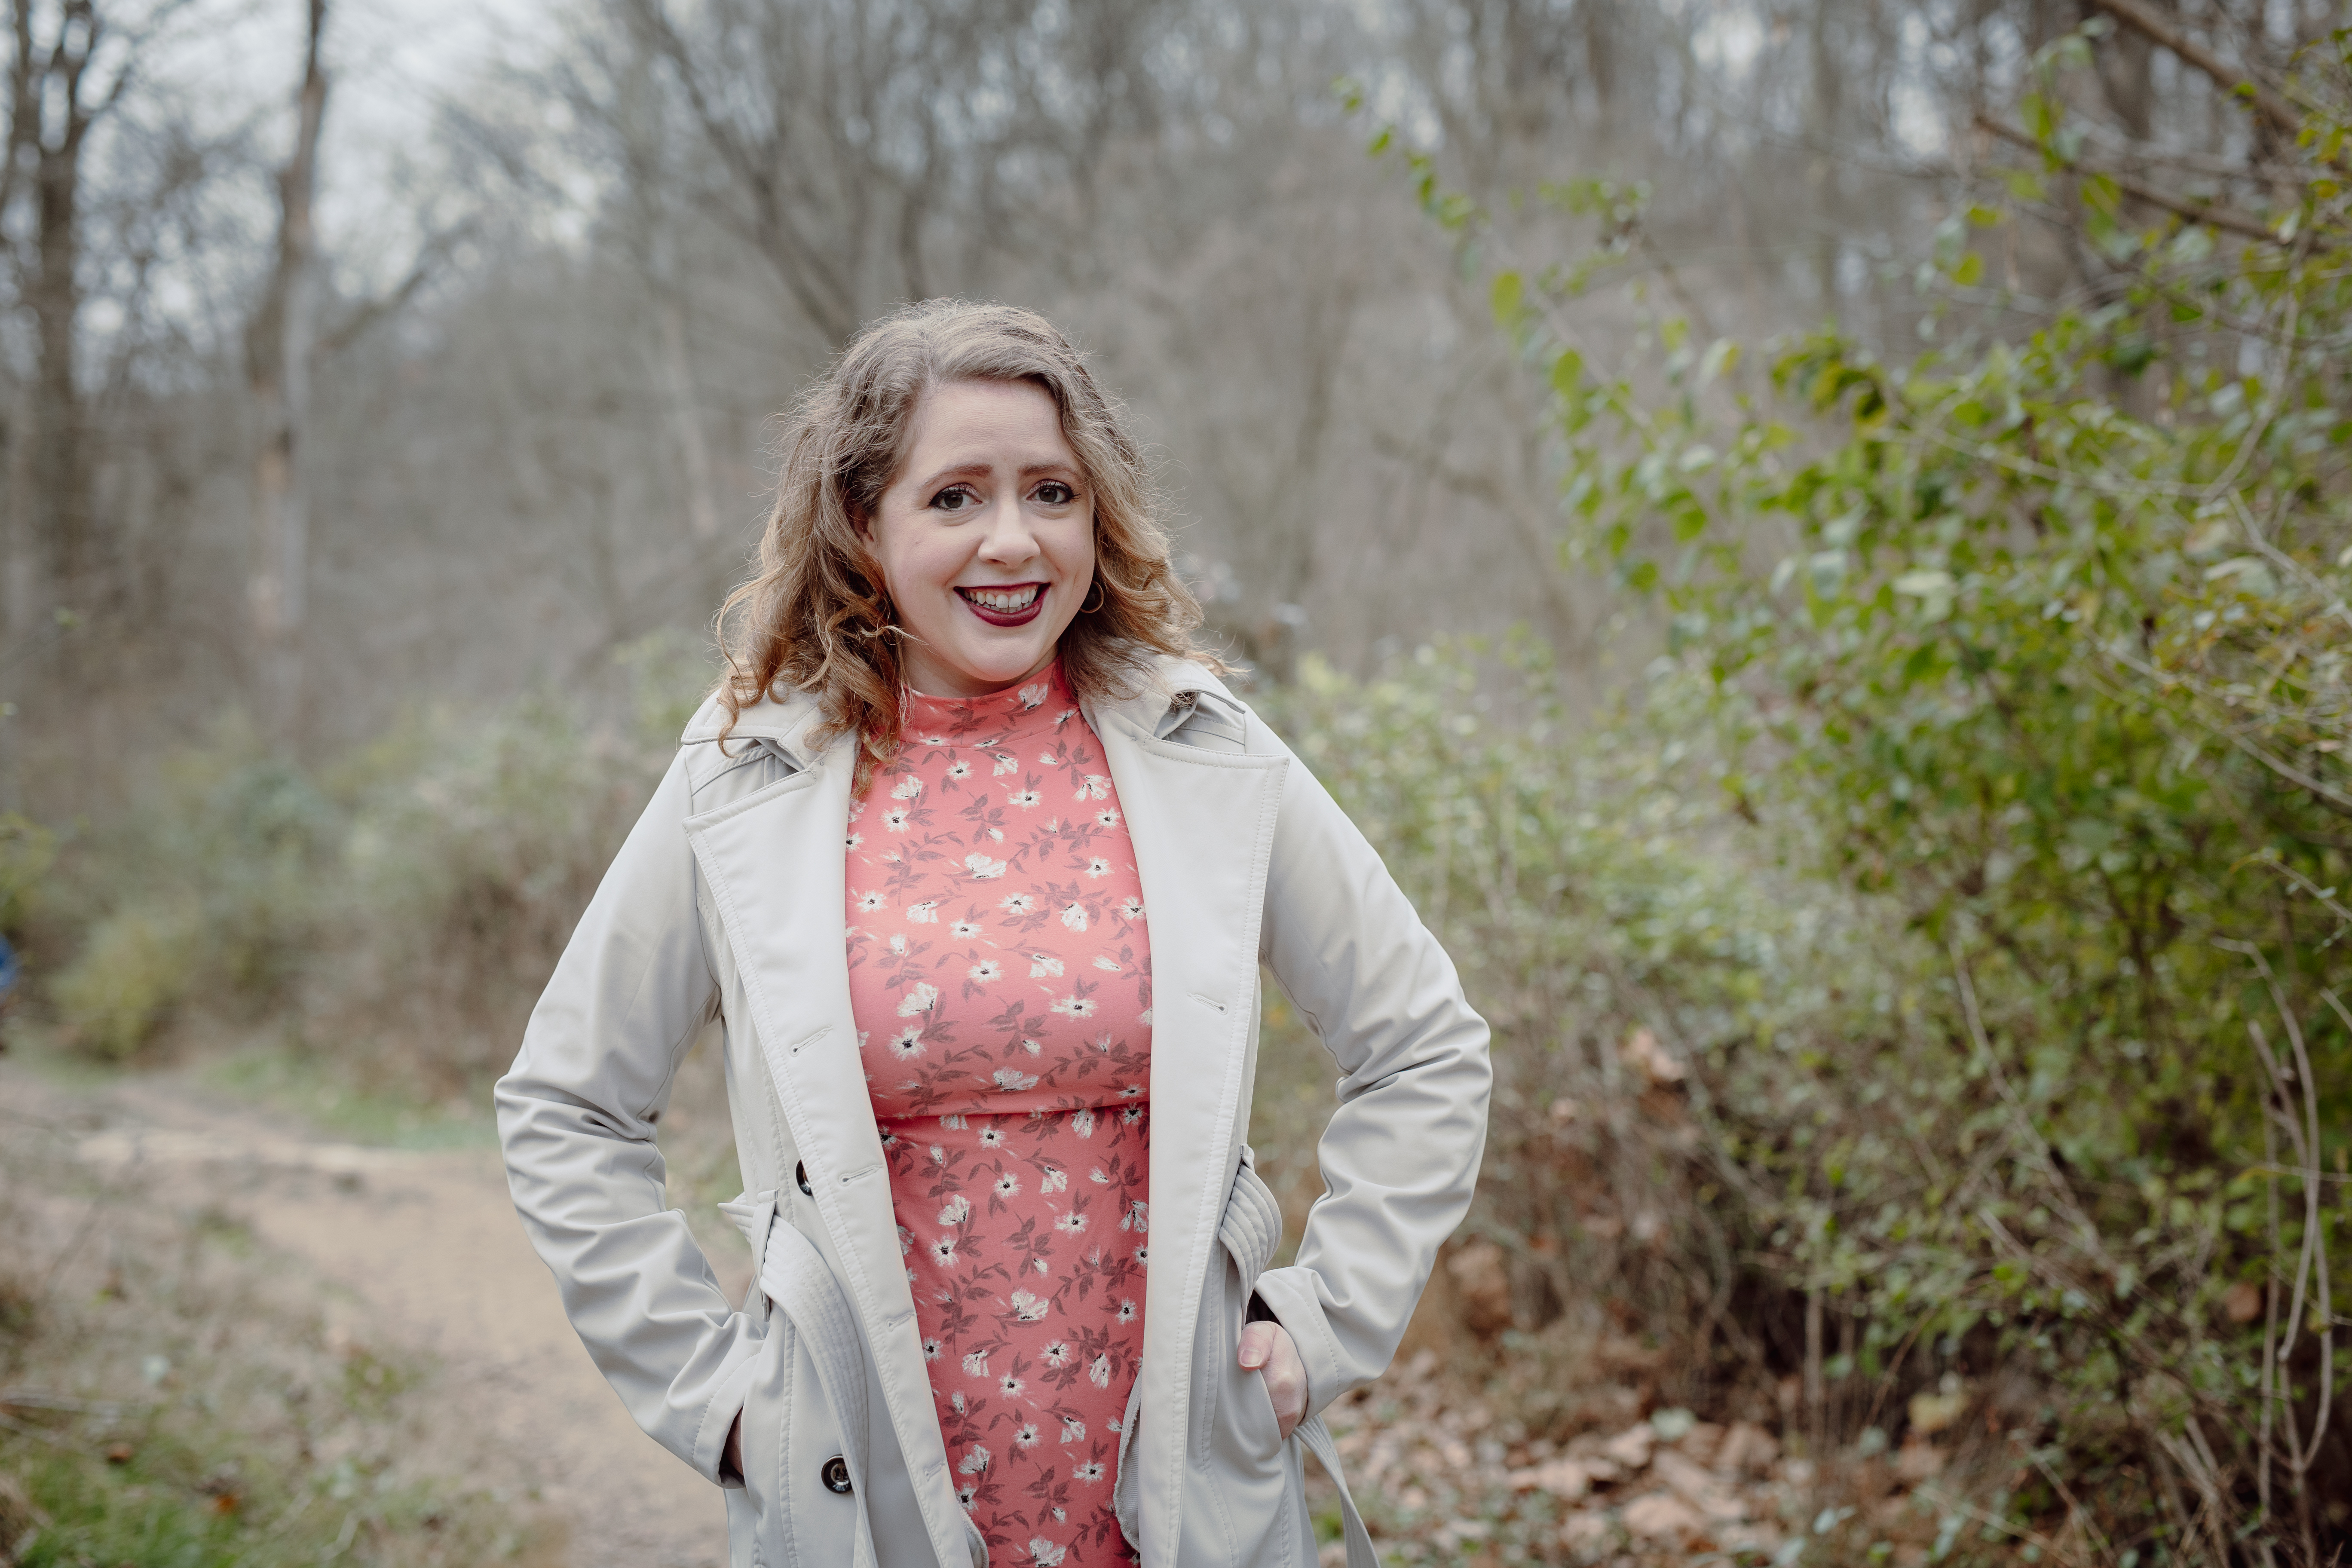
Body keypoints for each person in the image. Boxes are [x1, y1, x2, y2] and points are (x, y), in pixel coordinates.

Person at [496, 300, 1491, 1568]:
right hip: (872, 1485)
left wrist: (1323, 1322)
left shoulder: (1207, 751)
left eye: (1052, 493)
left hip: (1178, 1476)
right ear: (865, 523)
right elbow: (568, 1104)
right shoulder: (747, 777)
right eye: (955, 498)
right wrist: (718, 1398)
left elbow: (1424, 1045)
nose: (1012, 541)